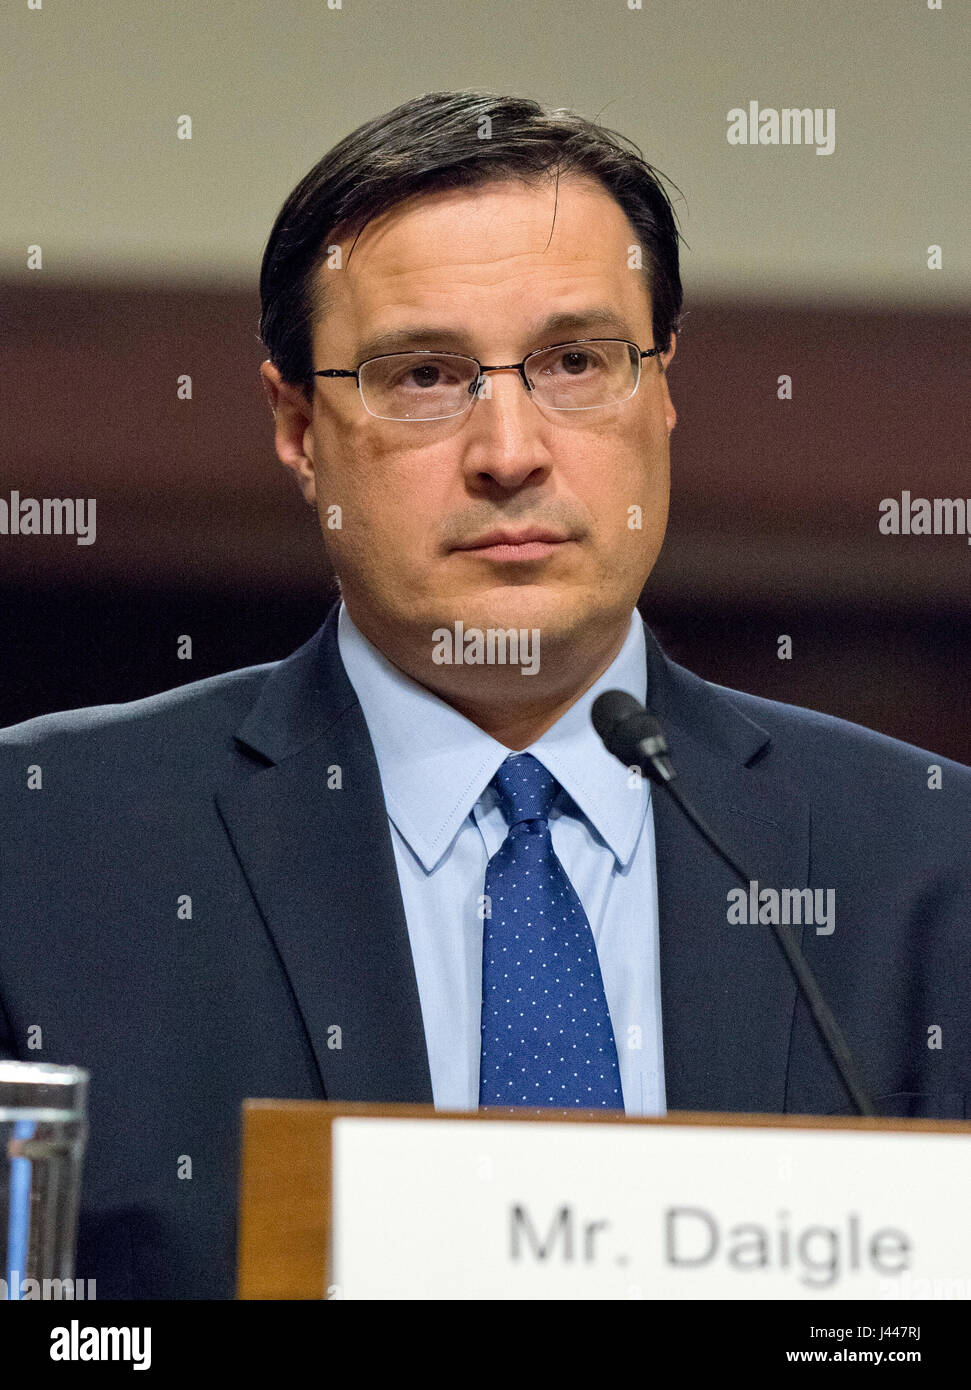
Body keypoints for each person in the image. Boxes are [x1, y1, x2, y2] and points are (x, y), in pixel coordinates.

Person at [1, 89, 969, 1301]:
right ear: (297, 426)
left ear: (662, 393)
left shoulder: (931, 859)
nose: (508, 448)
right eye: (422, 375)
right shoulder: (40, 841)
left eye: (574, 361)